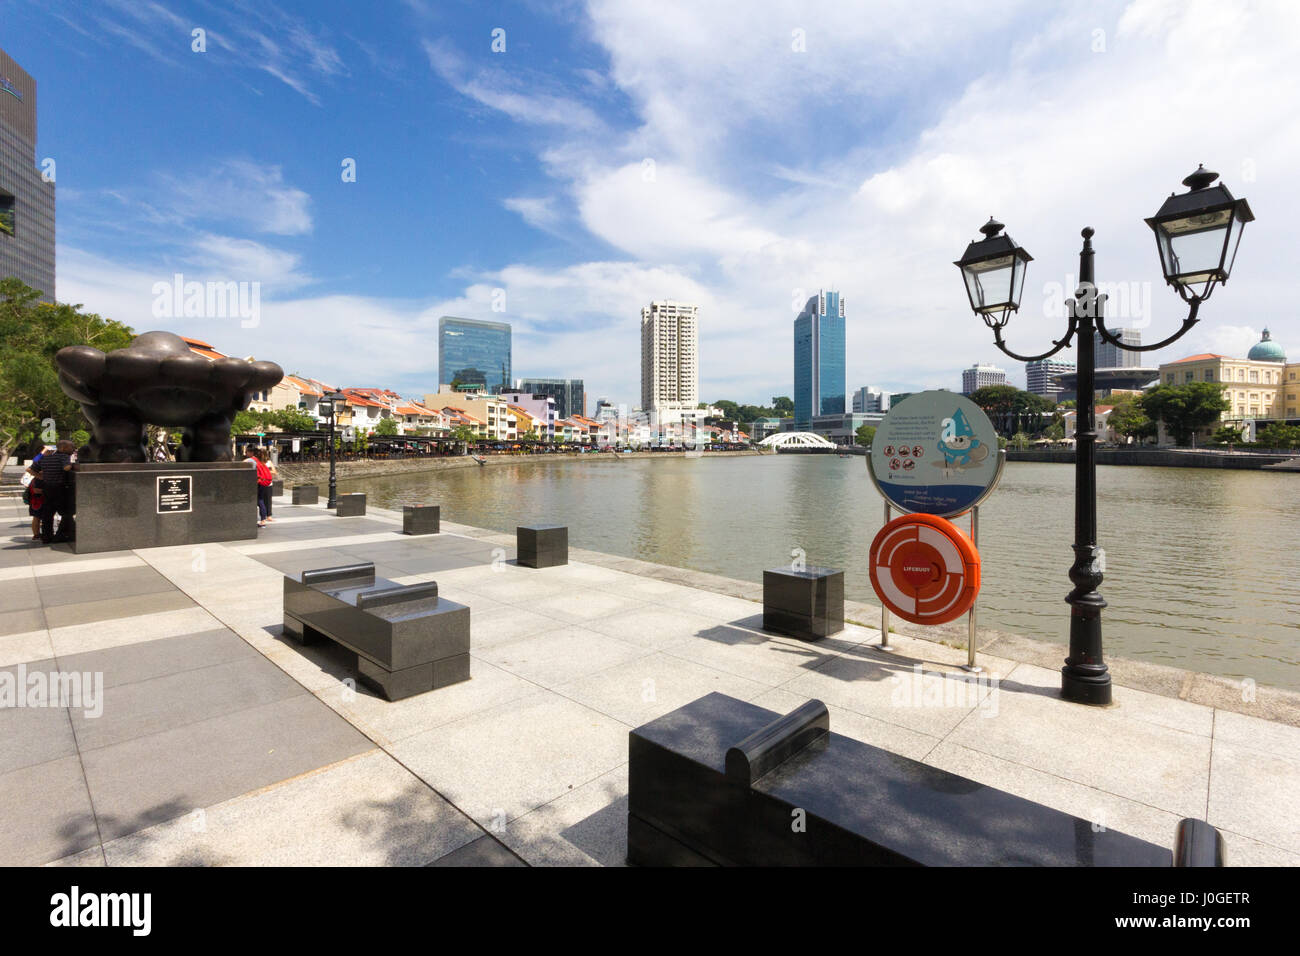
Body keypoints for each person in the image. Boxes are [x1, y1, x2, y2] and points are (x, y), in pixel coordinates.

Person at [32, 440, 75, 544]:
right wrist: (73, 466)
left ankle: (47, 537)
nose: (73, 450)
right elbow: (66, 467)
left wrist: (42, 477)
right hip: (59, 489)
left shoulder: (45, 457)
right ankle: (63, 535)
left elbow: (31, 469)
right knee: (66, 513)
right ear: (64, 448)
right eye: (72, 447)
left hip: (47, 488)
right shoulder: (64, 456)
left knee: (47, 515)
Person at [252, 447, 274, 527]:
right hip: (266, 483)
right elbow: (274, 472)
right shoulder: (266, 462)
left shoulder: (255, 462)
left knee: (260, 501)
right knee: (262, 500)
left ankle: (263, 519)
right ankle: (264, 518)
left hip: (260, 483)